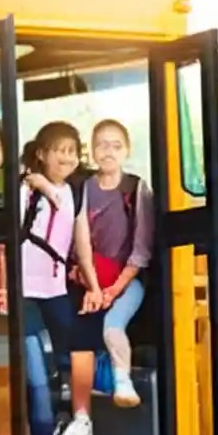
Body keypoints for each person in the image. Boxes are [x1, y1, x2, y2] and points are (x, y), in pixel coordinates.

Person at [19, 121, 106, 435]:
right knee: (37, 359)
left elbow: (81, 244)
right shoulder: (26, 190)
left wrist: (94, 285)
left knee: (66, 349)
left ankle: (70, 417)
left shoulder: (75, 193)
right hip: (25, 287)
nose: (66, 158)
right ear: (42, 155)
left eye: (72, 152)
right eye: (59, 151)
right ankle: (46, 421)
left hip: (54, 287)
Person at [79, 119, 154, 409]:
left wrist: (113, 289)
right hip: (89, 279)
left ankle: (123, 384)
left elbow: (141, 249)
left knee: (112, 327)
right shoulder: (84, 189)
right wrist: (91, 284)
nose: (108, 152)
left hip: (127, 281)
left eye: (116, 146)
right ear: (92, 151)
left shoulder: (135, 190)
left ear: (127, 151)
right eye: (101, 145)